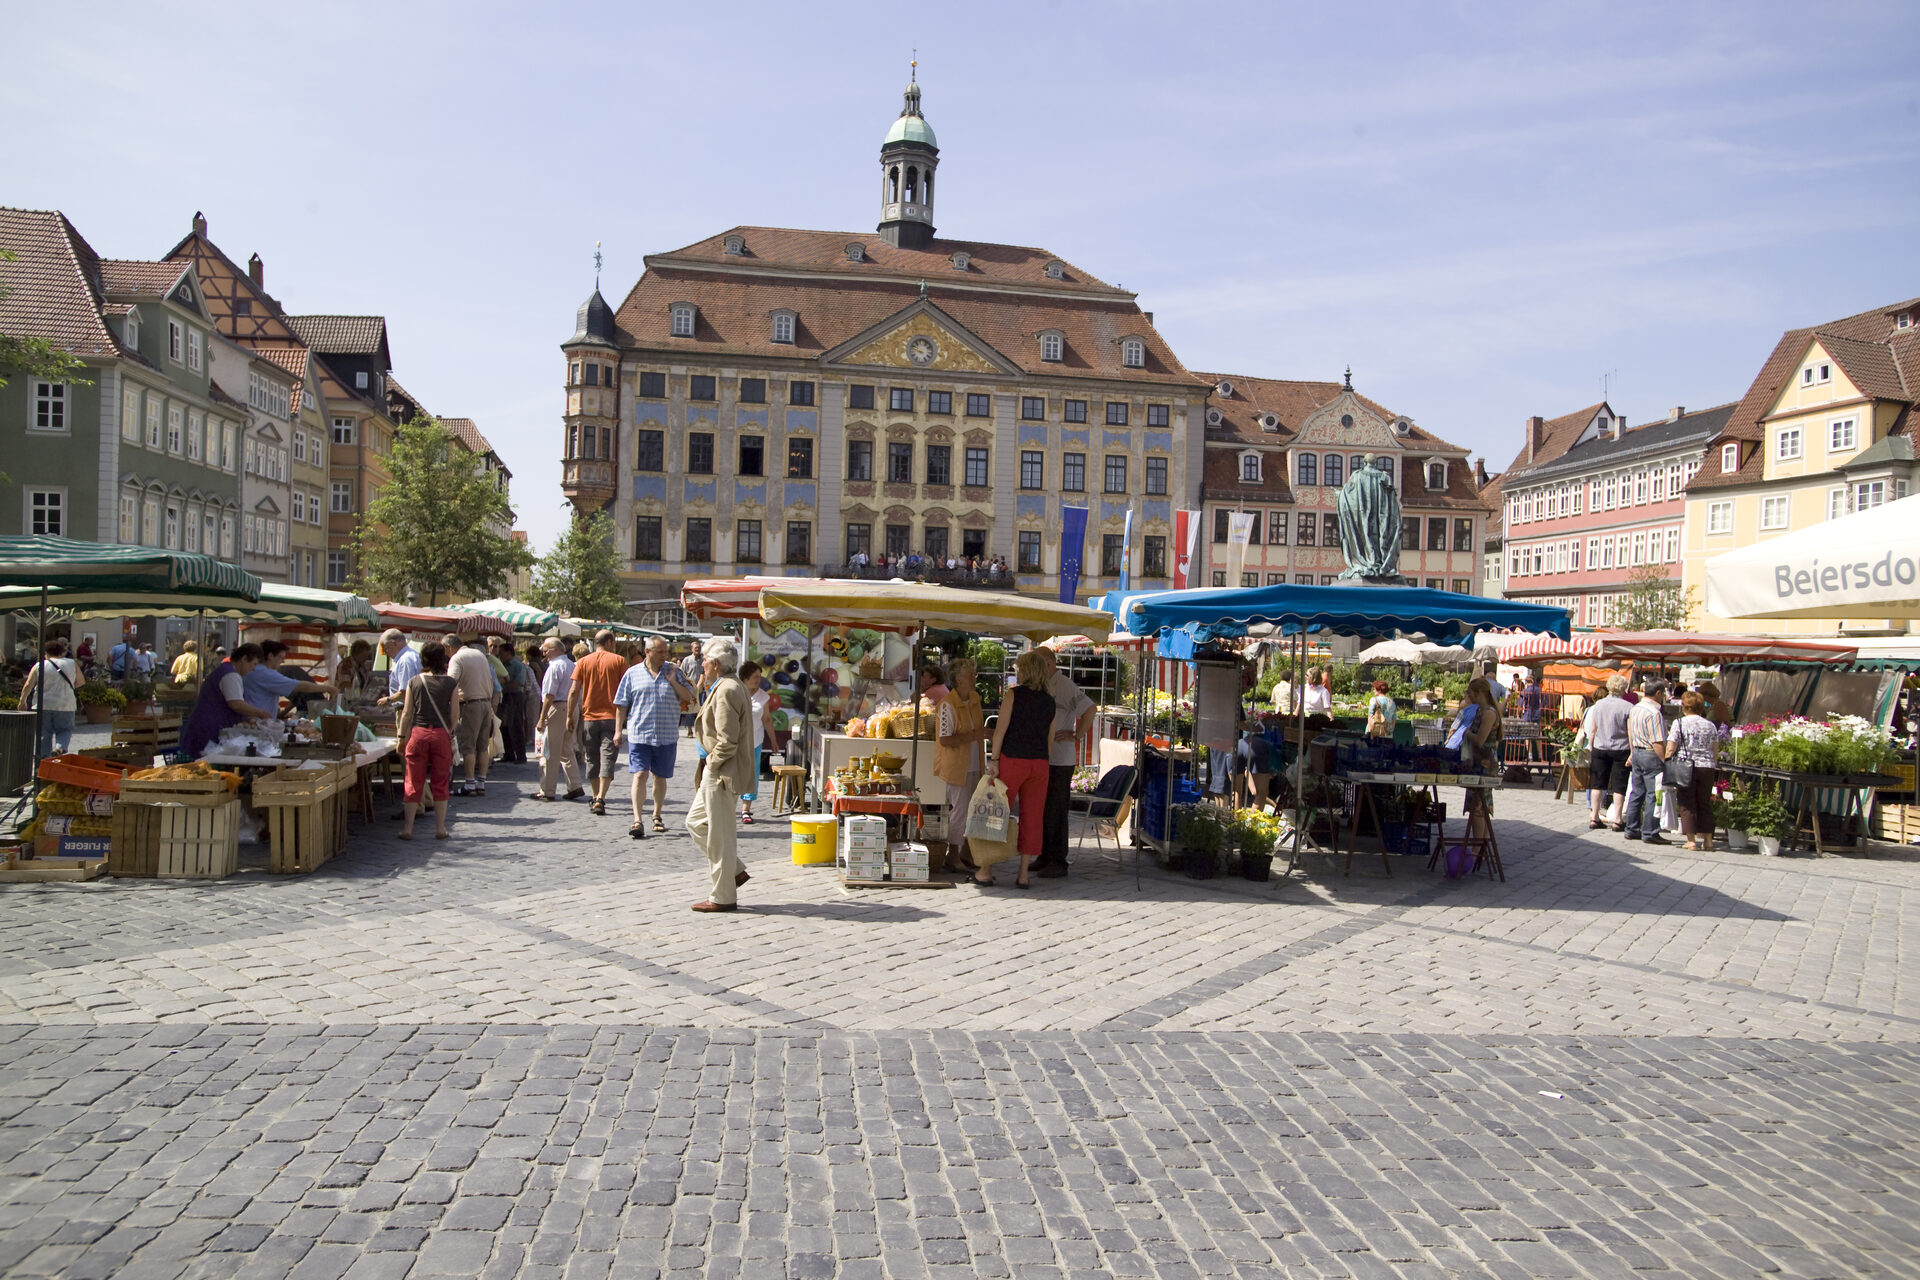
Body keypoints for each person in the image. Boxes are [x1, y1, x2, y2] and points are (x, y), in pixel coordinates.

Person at [687, 637, 753, 913]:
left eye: (705, 660)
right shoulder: (727, 685)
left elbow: (728, 740)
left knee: (720, 834)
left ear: (715, 664)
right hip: (718, 770)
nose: (702, 663)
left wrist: (712, 764)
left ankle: (723, 896)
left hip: (722, 772)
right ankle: (733, 870)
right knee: (696, 822)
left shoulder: (727, 689)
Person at [980, 650, 1054, 889]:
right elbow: (1050, 739)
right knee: (1032, 818)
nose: (1017, 672)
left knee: (997, 812)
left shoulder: (1014, 695)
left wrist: (994, 760)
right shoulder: (1050, 700)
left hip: (1013, 760)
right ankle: (1023, 875)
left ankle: (986, 870)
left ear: (1026, 671)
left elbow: (1000, 731)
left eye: (1019, 669)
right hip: (1040, 763)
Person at [612, 636, 697, 838]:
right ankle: (637, 819)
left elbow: (689, 696)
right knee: (639, 774)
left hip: (666, 734)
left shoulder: (674, 671)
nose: (664, 655)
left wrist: (673, 681)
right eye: (660, 652)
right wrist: (618, 731)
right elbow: (621, 703)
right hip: (639, 733)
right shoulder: (632, 673)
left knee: (659, 776)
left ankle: (657, 814)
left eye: (666, 651)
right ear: (647, 652)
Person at [1034, 647, 1095, 878]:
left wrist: (1076, 735)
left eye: (1039, 662)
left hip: (1060, 759)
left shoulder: (1064, 684)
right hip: (1046, 756)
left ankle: (1058, 860)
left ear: (1050, 662)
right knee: (1044, 808)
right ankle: (1045, 855)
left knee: (1056, 809)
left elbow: (1090, 709)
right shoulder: (1043, 684)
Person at [396, 640, 460, 840]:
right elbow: (455, 715)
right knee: (441, 782)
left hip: (418, 733)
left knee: (413, 781)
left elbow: (407, 713)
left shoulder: (414, 681)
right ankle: (440, 828)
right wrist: (448, 731)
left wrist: (401, 737)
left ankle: (408, 828)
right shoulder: (451, 683)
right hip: (440, 734)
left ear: (423, 659)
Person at [935, 656, 988, 874]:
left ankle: (966, 852)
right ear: (958, 680)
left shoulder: (974, 698)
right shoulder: (947, 705)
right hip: (957, 766)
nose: (974, 678)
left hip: (975, 764)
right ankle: (953, 854)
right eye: (970, 675)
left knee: (973, 810)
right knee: (960, 811)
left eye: (974, 674)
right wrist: (976, 735)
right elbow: (945, 740)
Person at [568, 630, 628, 816]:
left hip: (590, 718)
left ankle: (596, 796)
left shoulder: (583, 662)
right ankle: (600, 797)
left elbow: (573, 691)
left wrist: (570, 715)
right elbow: (628, 689)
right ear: (609, 642)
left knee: (592, 757)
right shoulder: (619, 661)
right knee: (608, 757)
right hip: (612, 716)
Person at [180, 643, 275, 758]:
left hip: (207, 726)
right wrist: (261, 713)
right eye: (253, 664)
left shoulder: (226, 671)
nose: (253, 669)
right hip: (209, 729)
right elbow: (236, 704)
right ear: (244, 659)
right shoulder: (230, 675)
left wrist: (250, 717)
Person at [532, 637, 586, 801]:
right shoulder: (571, 664)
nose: (543, 653)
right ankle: (575, 785)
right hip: (572, 707)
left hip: (558, 707)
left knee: (549, 751)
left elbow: (549, 695)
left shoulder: (554, 667)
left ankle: (547, 790)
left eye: (545, 650)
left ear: (555, 650)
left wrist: (542, 718)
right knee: (566, 748)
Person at [1667, 690, 1721, 851]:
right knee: (1704, 803)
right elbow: (1715, 750)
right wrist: (1713, 764)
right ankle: (1708, 841)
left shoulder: (1679, 723)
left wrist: (1666, 762)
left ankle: (1691, 840)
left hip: (1686, 766)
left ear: (1684, 706)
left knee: (1687, 802)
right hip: (1707, 767)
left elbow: (1671, 747)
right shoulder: (1710, 725)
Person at [447, 635, 500, 797]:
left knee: (468, 746)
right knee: (483, 746)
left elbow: (450, 682)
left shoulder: (457, 658)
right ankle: (481, 783)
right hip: (485, 703)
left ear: (449, 647)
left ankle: (469, 784)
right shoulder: (479, 655)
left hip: (470, 705)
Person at [1622, 679, 1671, 845]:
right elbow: (1657, 741)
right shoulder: (1654, 713)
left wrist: (1632, 752)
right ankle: (1650, 831)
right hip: (1650, 754)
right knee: (1653, 794)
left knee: (1637, 792)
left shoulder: (1635, 708)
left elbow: (1630, 733)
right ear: (1658, 693)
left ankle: (1631, 828)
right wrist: (1665, 761)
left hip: (1637, 751)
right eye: (1663, 693)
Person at [1582, 675, 1634, 830]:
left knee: (1597, 783)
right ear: (1623, 688)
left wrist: (1591, 745)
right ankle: (1617, 819)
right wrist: (1632, 752)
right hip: (1621, 748)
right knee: (1619, 784)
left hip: (1600, 747)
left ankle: (1594, 816)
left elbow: (1593, 729)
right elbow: (1630, 732)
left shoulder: (1598, 705)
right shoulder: (1628, 707)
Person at [19, 639, 84, 756]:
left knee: (44, 733)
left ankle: (43, 760)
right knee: (65, 730)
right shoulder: (71, 663)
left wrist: (22, 700)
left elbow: (28, 684)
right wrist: (68, 688)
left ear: (45, 653)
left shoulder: (39, 665)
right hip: (65, 704)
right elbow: (81, 682)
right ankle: (60, 747)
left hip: (43, 704)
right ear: (62, 652)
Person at [240, 639, 324, 717]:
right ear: (270, 656)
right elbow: (300, 686)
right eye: (281, 657)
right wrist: (327, 688)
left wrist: (281, 713)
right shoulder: (267, 674)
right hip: (259, 720)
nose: (283, 661)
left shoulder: (256, 671)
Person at [737, 662, 777, 825]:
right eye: (755, 677)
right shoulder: (736, 692)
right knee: (734, 773)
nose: (758, 680)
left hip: (755, 740)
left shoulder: (763, 696)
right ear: (745, 678)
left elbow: (766, 719)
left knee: (752, 774)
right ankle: (726, 806)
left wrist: (773, 741)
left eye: (759, 677)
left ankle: (746, 809)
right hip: (735, 741)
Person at [494, 639, 532, 764]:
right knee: (503, 725)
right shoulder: (500, 665)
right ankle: (508, 753)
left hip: (515, 697)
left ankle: (521, 755)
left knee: (516, 725)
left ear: (508, 653)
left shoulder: (519, 666)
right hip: (503, 697)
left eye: (501, 652)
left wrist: (500, 688)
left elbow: (518, 683)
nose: (499, 655)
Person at [1235, 721, 1278, 811]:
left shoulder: (1250, 741)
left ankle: (1235, 819)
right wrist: (1274, 804)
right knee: (1261, 793)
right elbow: (1257, 792)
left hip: (1237, 746)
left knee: (1236, 791)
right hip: (1255, 753)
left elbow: (1253, 790)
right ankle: (1252, 821)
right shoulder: (1269, 748)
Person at [375, 630, 420, 707]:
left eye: (385, 649)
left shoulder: (405, 660)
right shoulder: (414, 655)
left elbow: (405, 692)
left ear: (394, 644)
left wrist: (388, 700)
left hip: (407, 708)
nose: (386, 653)